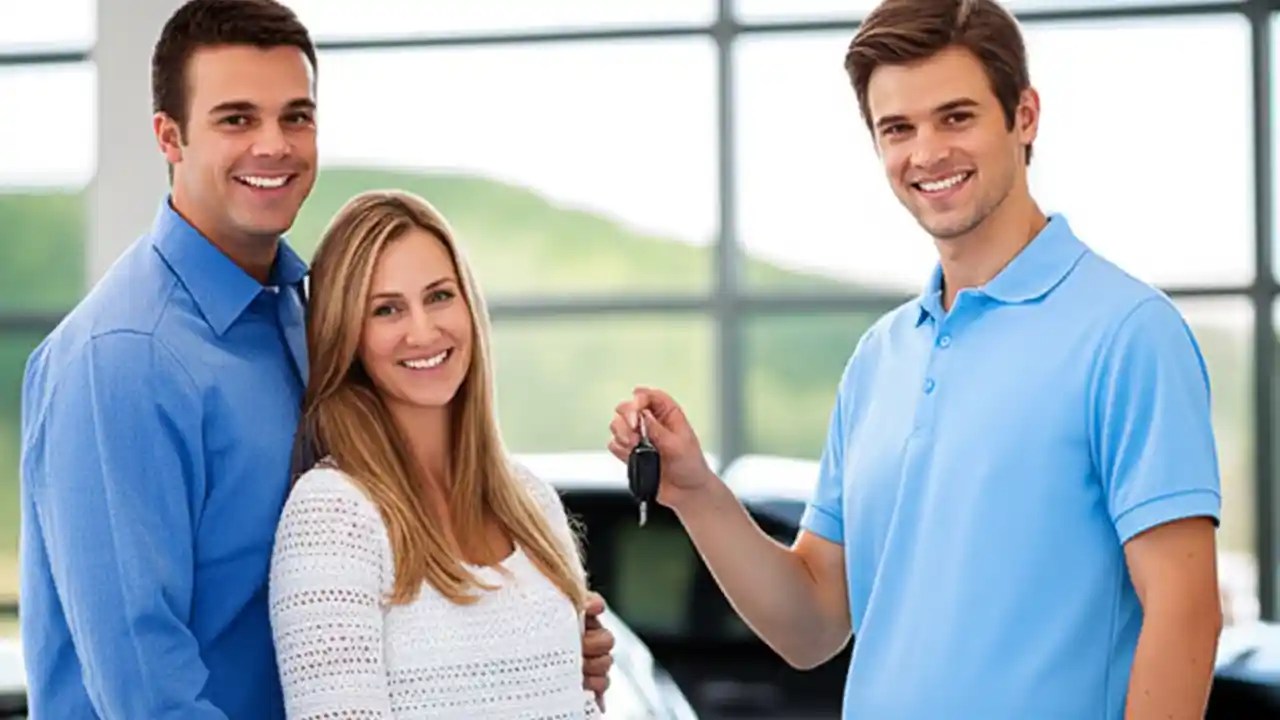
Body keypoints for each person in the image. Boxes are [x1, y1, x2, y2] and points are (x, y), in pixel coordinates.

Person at [607, 0, 1223, 718]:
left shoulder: (1127, 333)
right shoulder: (880, 358)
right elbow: (812, 624)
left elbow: (1185, 613)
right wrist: (696, 494)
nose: (926, 153)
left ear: (1024, 116)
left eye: (956, 117)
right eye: (897, 129)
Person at [18, 1, 613, 718]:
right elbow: (146, 693)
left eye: (296, 117)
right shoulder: (120, 360)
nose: (274, 146)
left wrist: (521, 642)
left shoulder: (305, 318)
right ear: (168, 137)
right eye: (236, 119)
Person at [269, 190, 602, 718]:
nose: (423, 331)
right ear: (347, 334)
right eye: (386, 309)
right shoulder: (332, 515)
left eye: (440, 296)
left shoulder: (534, 503)